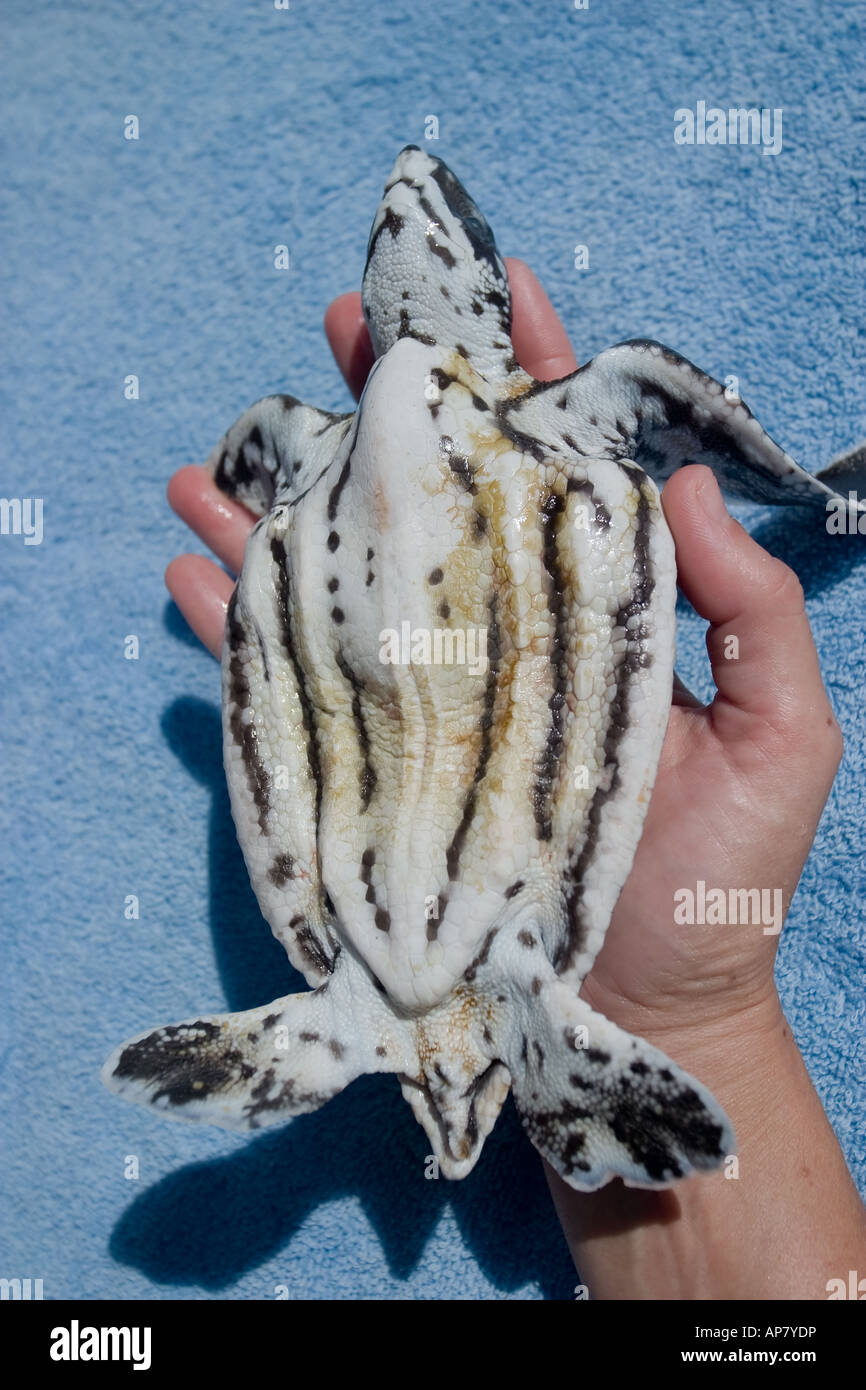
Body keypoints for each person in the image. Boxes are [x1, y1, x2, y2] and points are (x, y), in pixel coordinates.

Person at [164, 261, 866, 1300]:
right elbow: (247, 469)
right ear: (478, 299)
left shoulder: (304, 446)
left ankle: (372, 1012)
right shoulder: (562, 418)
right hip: (498, 868)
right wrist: (809, 496)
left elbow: (244, 466)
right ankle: (388, 1011)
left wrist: (683, 1016)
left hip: (411, 861)